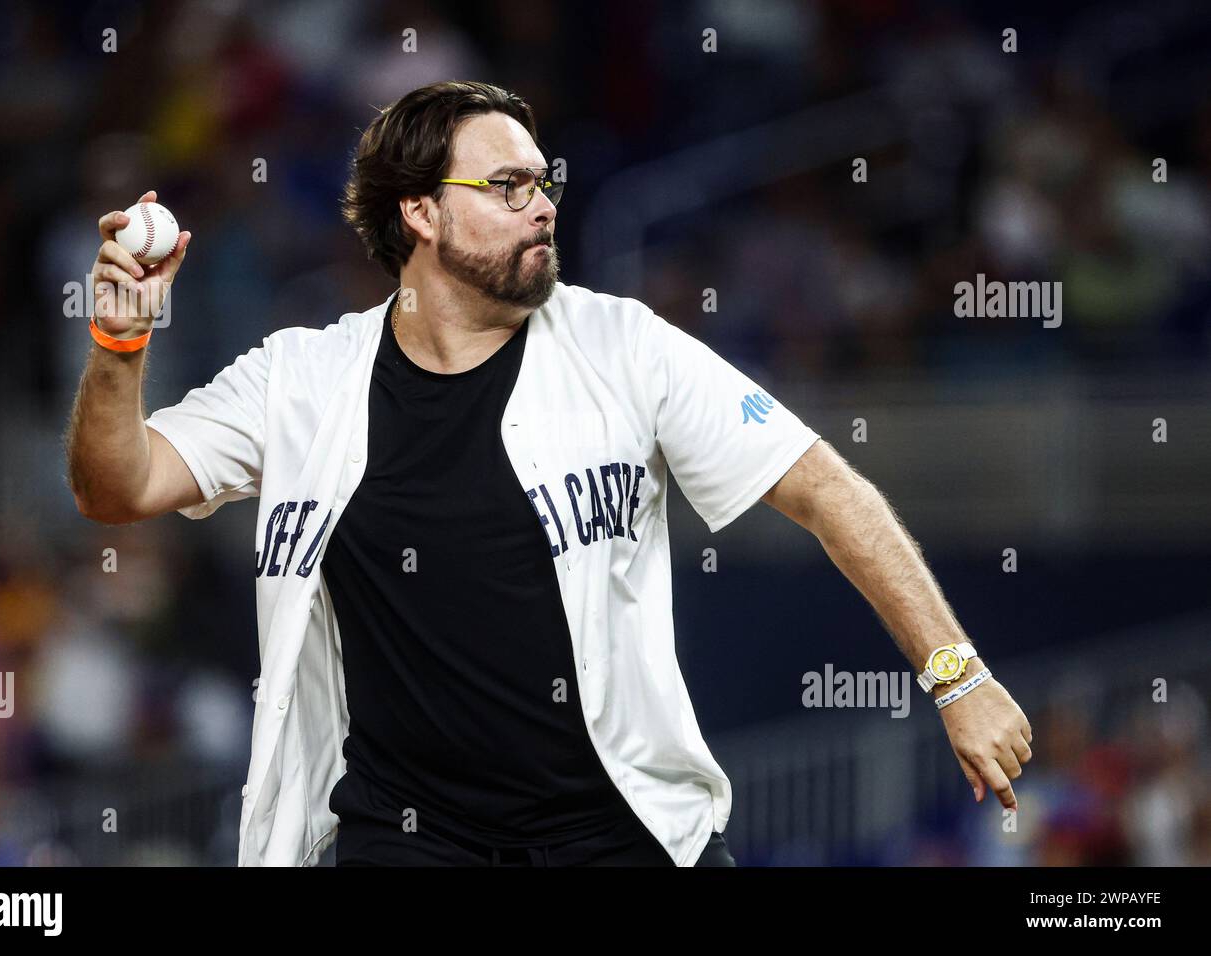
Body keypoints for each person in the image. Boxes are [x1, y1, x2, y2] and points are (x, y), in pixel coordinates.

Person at [65, 80, 1032, 867]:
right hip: (406, 839)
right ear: (421, 212)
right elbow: (119, 487)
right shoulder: (299, 379)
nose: (543, 206)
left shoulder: (623, 346)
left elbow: (826, 487)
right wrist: (118, 343)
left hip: (622, 831)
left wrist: (958, 678)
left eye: (543, 182)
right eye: (508, 186)